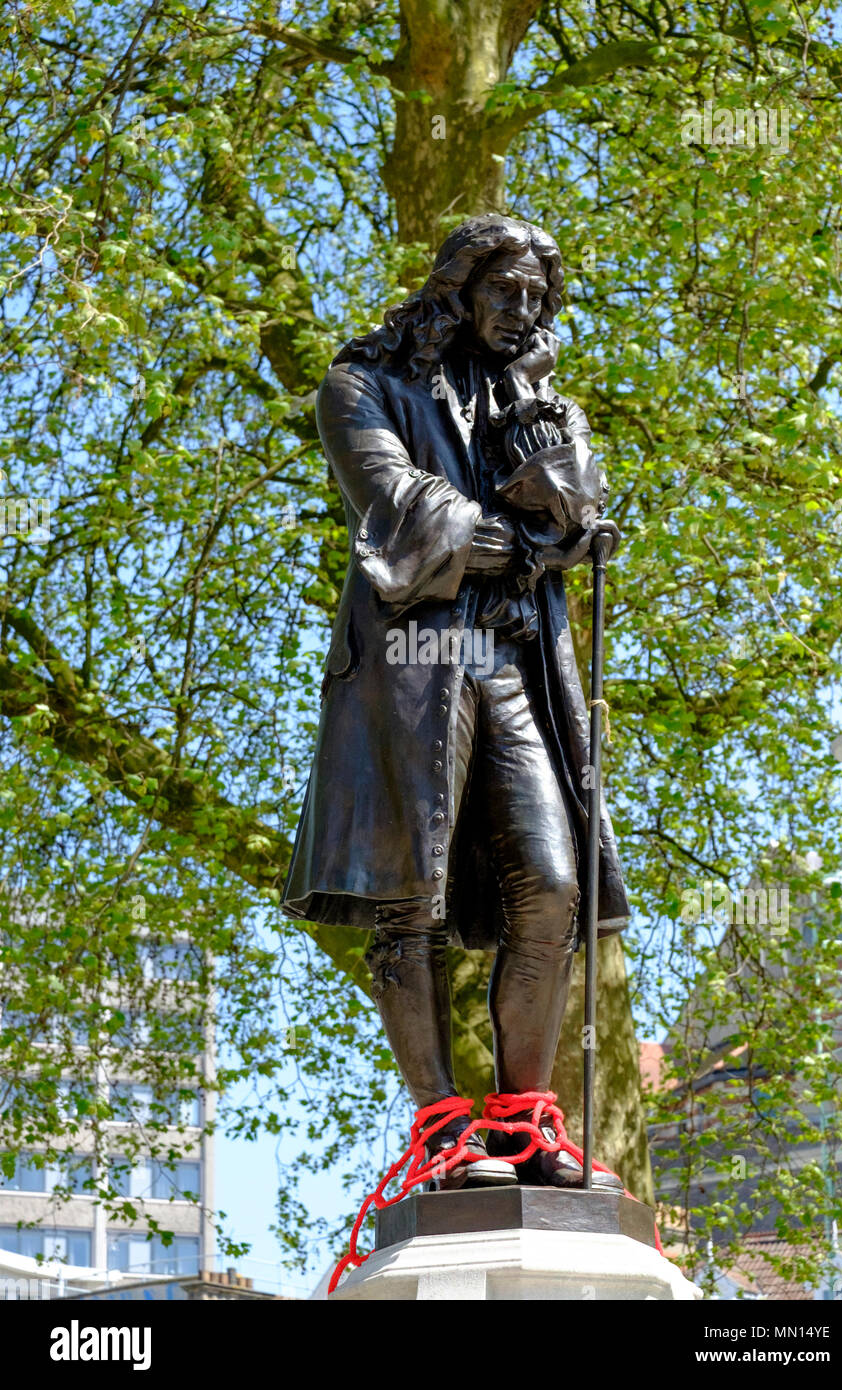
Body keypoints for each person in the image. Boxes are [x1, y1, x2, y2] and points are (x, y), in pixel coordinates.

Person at [281, 215, 630, 1188]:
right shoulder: (362, 386)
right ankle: (442, 1129)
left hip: (513, 659)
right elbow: (400, 518)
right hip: (412, 664)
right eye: (505, 290)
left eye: (536, 298)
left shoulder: (544, 401)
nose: (522, 312)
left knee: (552, 889)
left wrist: (570, 507)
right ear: (459, 289)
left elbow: (585, 516)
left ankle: (521, 1127)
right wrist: (528, 534)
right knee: (412, 897)